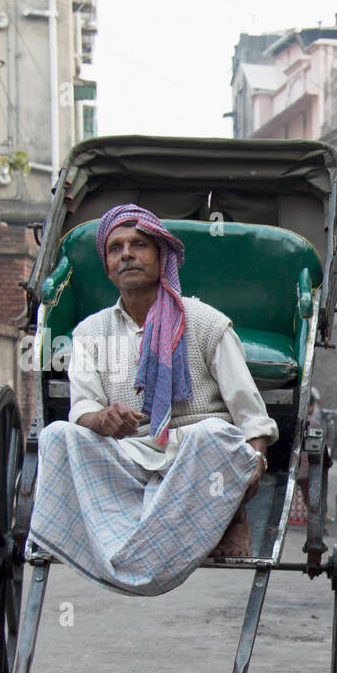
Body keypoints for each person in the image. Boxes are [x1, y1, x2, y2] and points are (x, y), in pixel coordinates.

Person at [29, 203, 278, 596]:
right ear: (108, 266)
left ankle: (215, 523)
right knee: (57, 437)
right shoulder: (89, 333)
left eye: (138, 245)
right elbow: (82, 409)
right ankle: (122, 544)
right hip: (125, 459)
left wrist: (254, 464)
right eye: (115, 248)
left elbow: (252, 419)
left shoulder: (206, 322)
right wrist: (102, 420)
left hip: (194, 466)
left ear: (161, 256)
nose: (126, 254)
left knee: (214, 434)